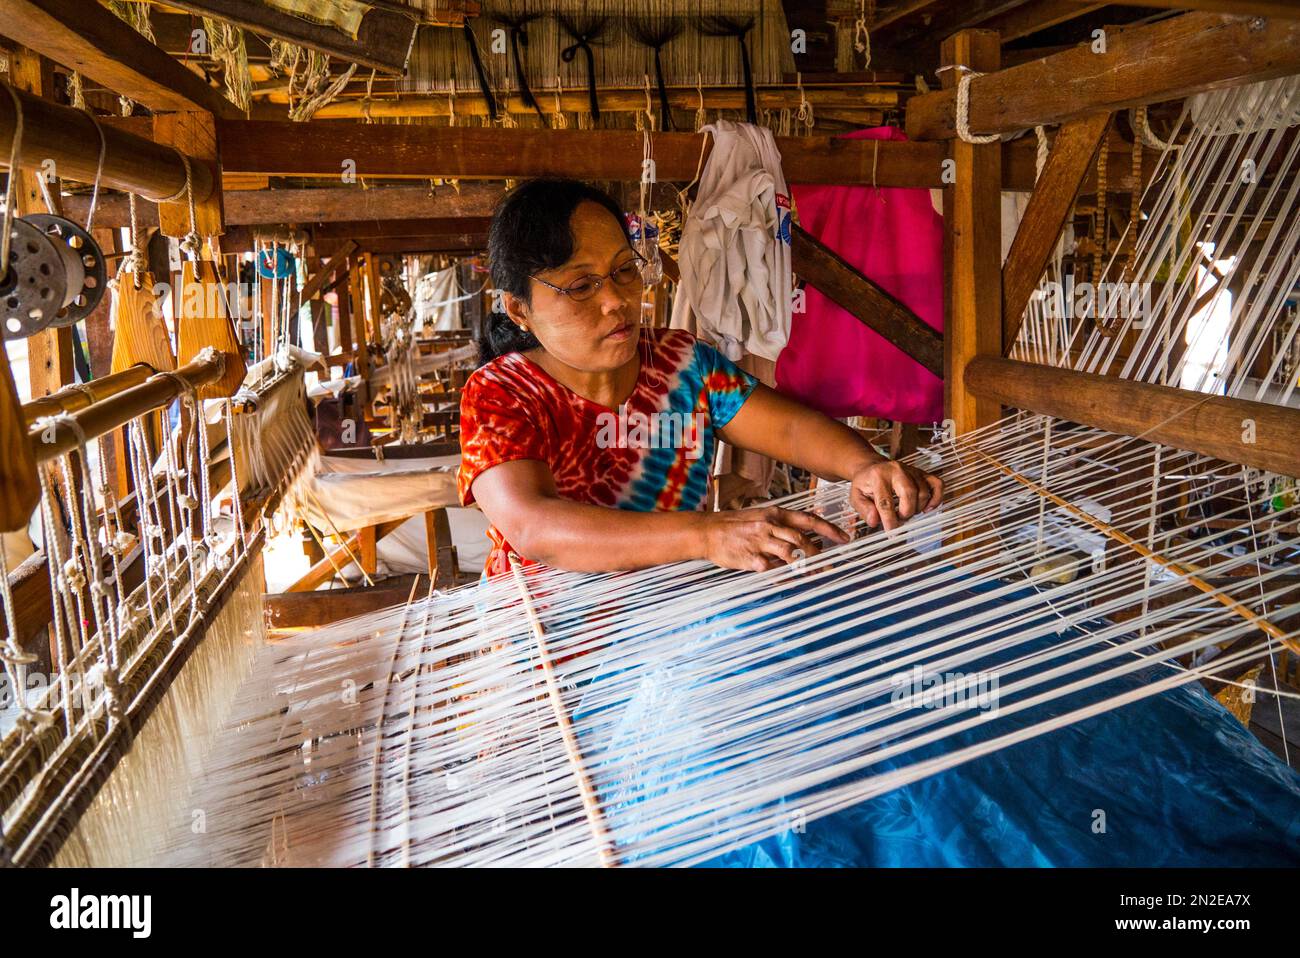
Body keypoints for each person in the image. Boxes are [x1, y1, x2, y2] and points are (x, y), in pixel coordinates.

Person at [457, 178, 943, 577]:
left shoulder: (681, 363)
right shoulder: (502, 394)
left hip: (674, 619)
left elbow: (790, 429)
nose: (617, 300)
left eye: (625, 270)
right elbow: (533, 527)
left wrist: (863, 464)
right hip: (550, 645)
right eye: (581, 286)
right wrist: (707, 534)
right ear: (519, 309)